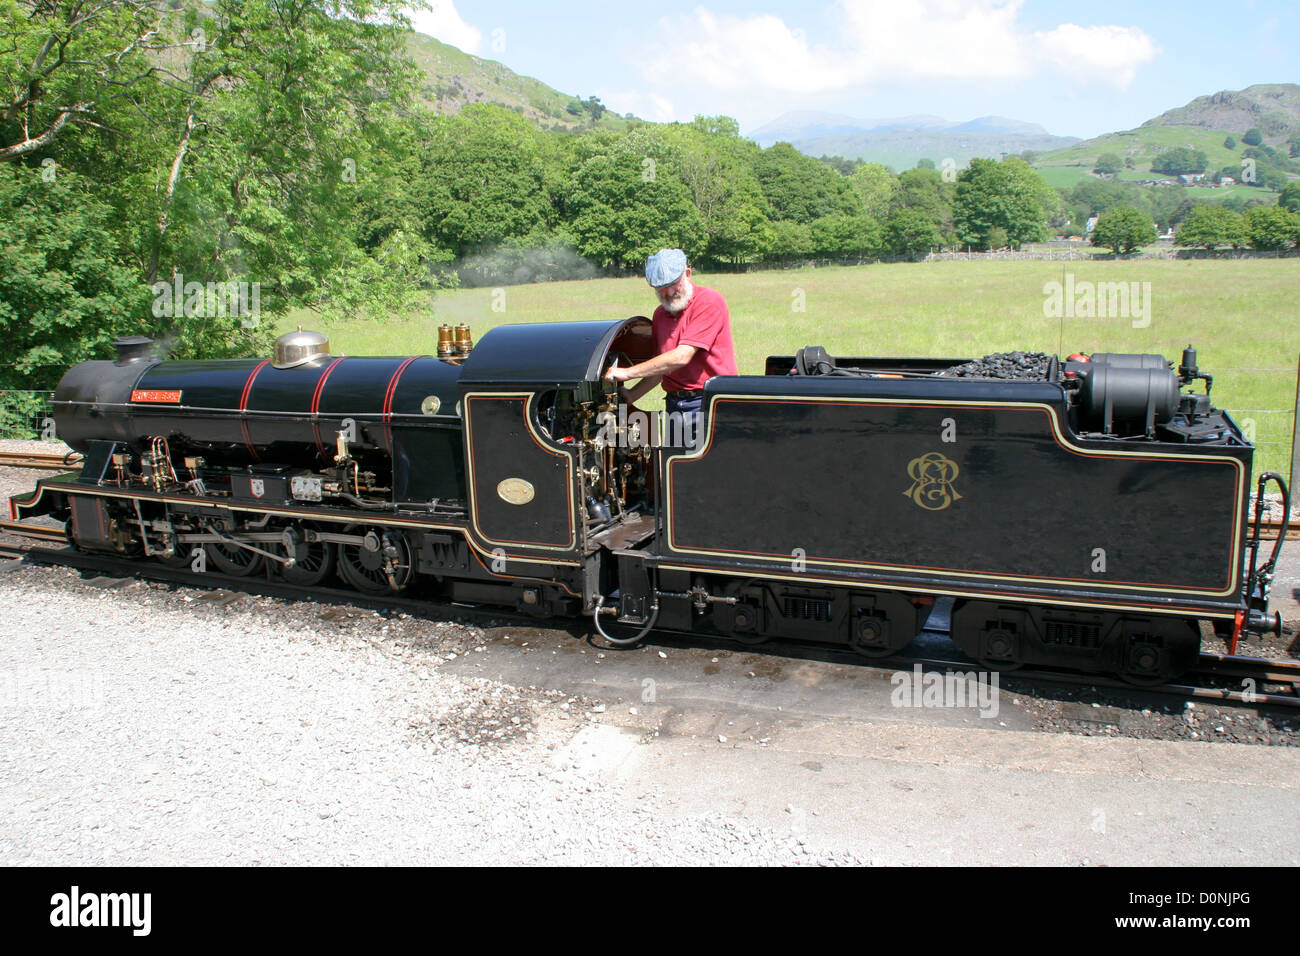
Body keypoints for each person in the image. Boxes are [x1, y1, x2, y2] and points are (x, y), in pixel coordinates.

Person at [604, 249, 738, 437]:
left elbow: (682, 356)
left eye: (674, 283)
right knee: (674, 457)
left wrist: (627, 373)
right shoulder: (660, 314)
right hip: (675, 405)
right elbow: (662, 368)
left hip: (711, 403)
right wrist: (632, 395)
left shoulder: (709, 301)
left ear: (688, 274)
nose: (668, 292)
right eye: (661, 287)